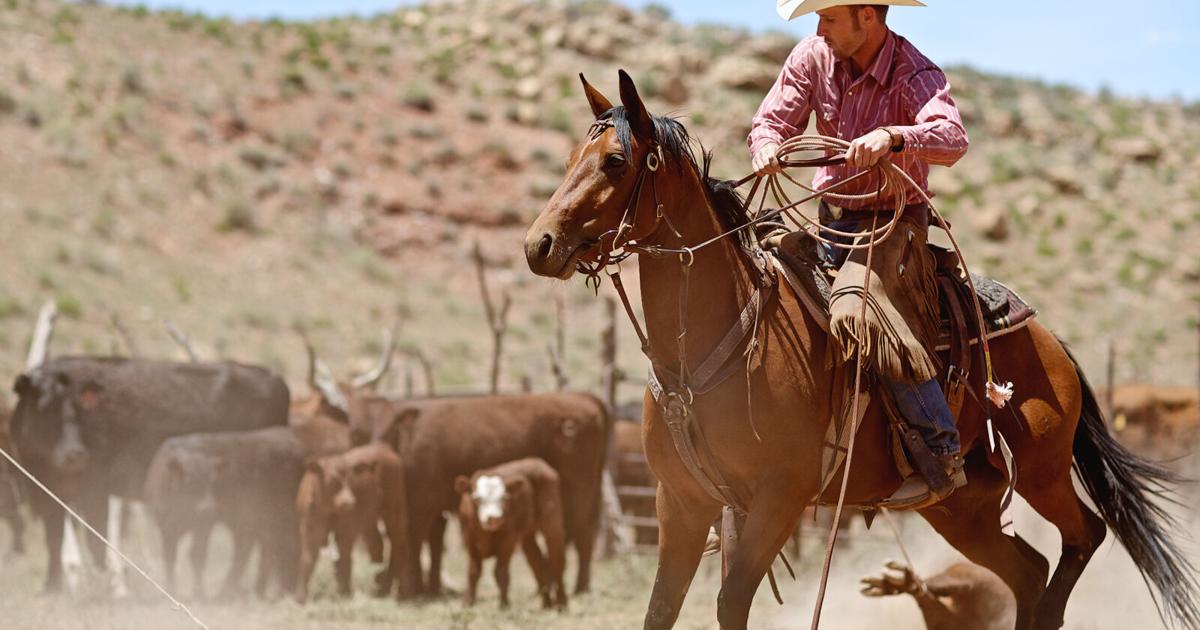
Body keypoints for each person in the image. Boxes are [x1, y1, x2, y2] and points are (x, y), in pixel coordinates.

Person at [749, 1, 970, 508]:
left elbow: (953, 138)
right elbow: (770, 122)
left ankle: (940, 447)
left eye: (828, 18)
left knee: (860, 309)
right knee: (754, 274)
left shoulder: (913, 71)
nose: (819, 29)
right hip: (827, 218)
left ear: (867, 16)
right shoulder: (813, 56)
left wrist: (894, 137)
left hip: (892, 226)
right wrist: (766, 146)